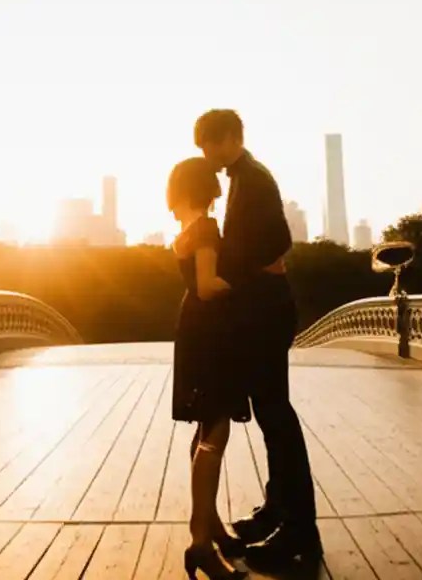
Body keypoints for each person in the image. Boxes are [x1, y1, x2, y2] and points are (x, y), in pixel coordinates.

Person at [194, 109, 322, 570]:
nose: (204, 155)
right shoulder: (245, 177)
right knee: (272, 414)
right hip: (263, 309)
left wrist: (219, 258)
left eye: (207, 144)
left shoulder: (252, 178)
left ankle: (300, 530)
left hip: (267, 311)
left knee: (276, 417)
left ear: (227, 138)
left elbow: (276, 242)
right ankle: (277, 511)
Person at [166, 157, 249, 580]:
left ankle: (211, 526)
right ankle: (200, 542)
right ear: (208, 187)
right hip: (212, 337)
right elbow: (207, 284)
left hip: (192, 332)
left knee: (204, 430)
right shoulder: (208, 229)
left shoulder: (185, 231)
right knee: (216, 432)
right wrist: (243, 287)